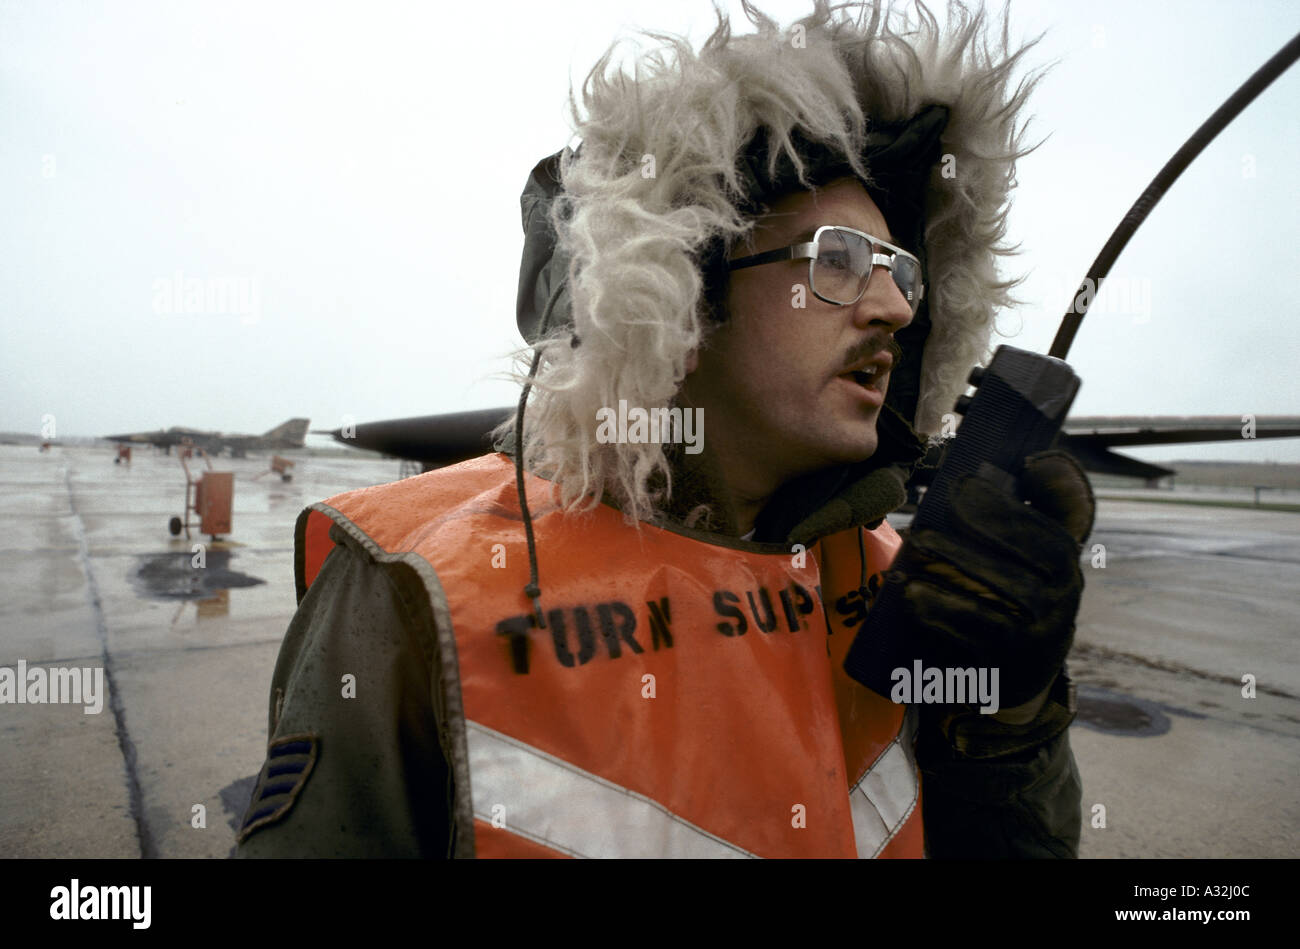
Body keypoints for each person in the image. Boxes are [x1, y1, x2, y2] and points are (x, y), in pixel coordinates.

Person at [237, 0, 1092, 859]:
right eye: (838, 259)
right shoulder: (416, 584)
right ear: (686, 298)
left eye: (902, 270)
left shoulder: (901, 587)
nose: (898, 307)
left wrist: (1010, 722)